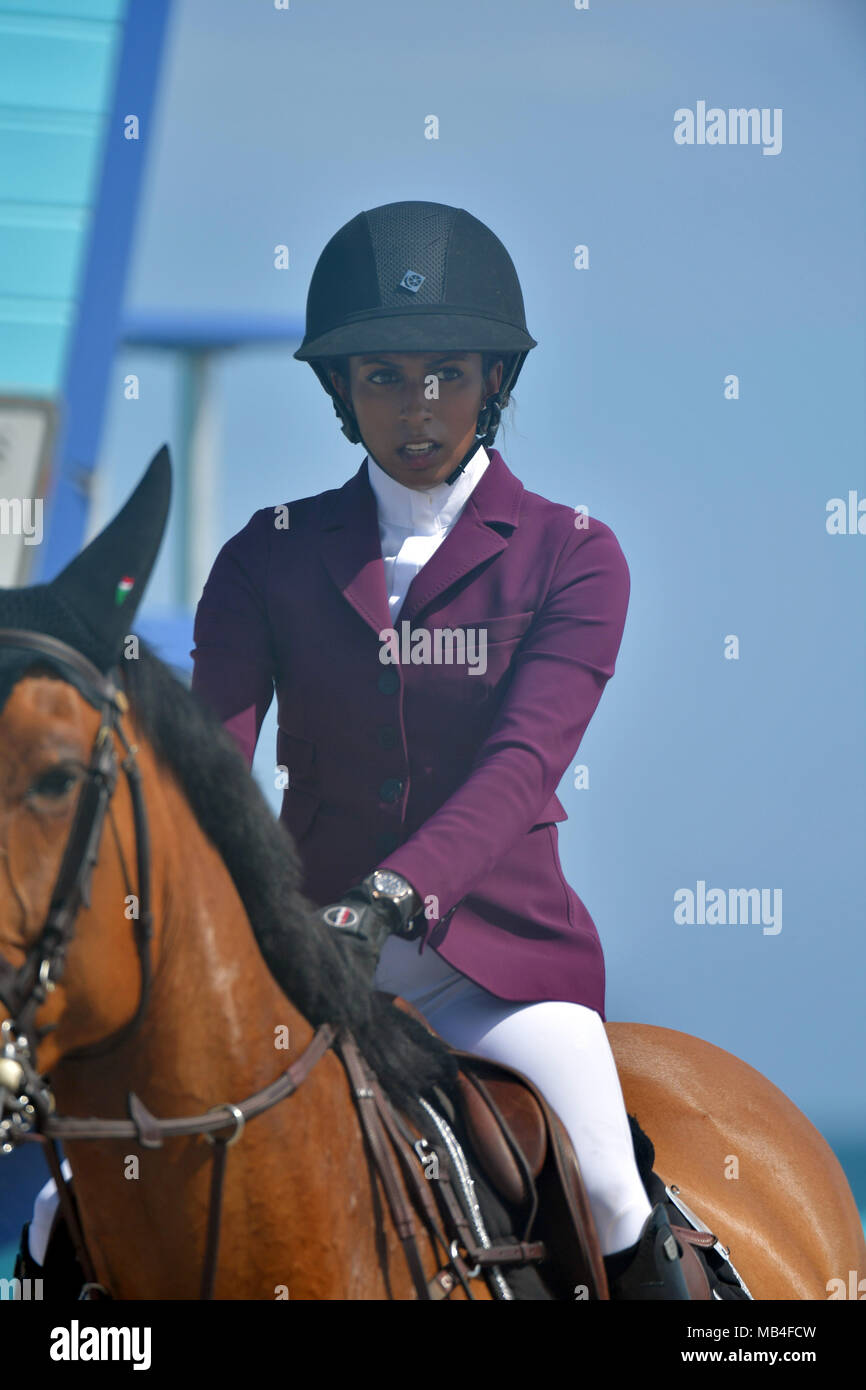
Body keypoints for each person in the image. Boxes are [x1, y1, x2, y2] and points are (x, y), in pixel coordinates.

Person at [188, 199, 691, 1300]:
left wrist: (387, 896)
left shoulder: (572, 554)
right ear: (338, 392)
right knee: (57, 1209)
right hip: (304, 966)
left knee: (610, 1189)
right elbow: (213, 773)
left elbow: (519, 770)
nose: (416, 409)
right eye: (381, 378)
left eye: (445, 375)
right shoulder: (263, 557)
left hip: (495, 972)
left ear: (492, 383)